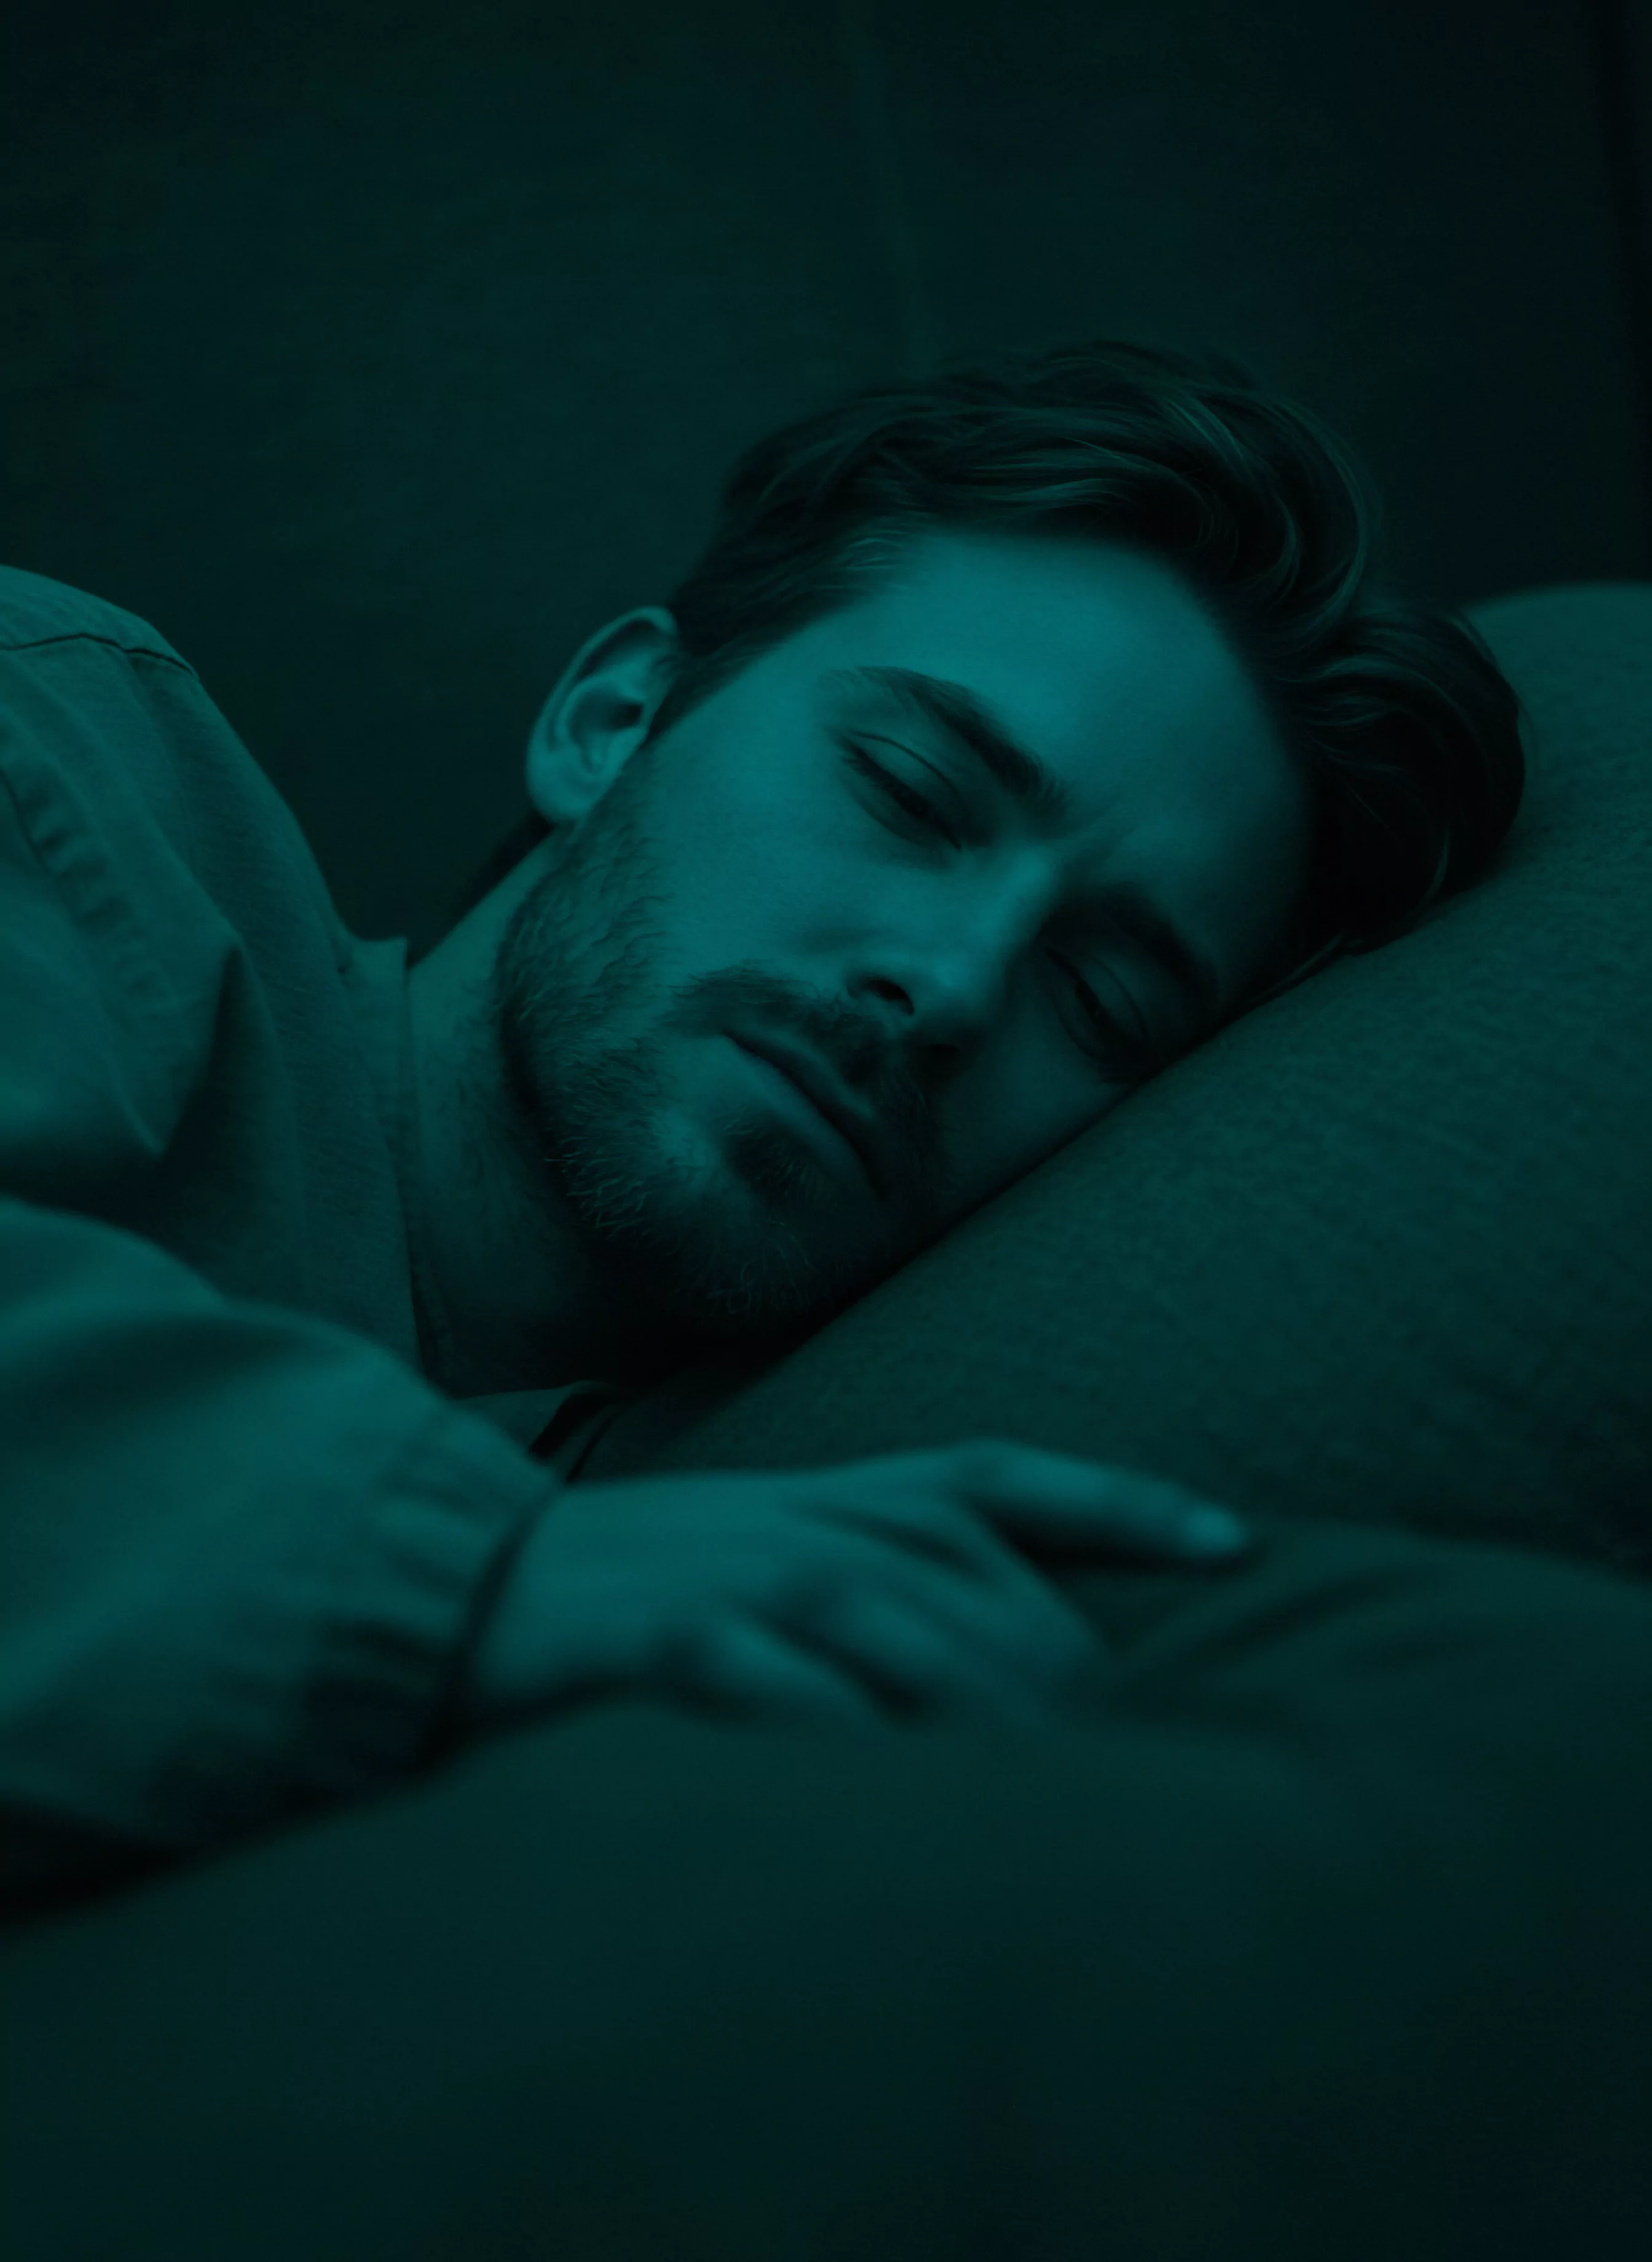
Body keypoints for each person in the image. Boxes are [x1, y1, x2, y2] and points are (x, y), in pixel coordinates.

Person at [0, 334, 1525, 1918]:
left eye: (1102, 999)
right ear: (615, 716)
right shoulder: (70, 760)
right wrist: (452, 1581)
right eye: (910, 788)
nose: (948, 987)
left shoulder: (731, 1484)